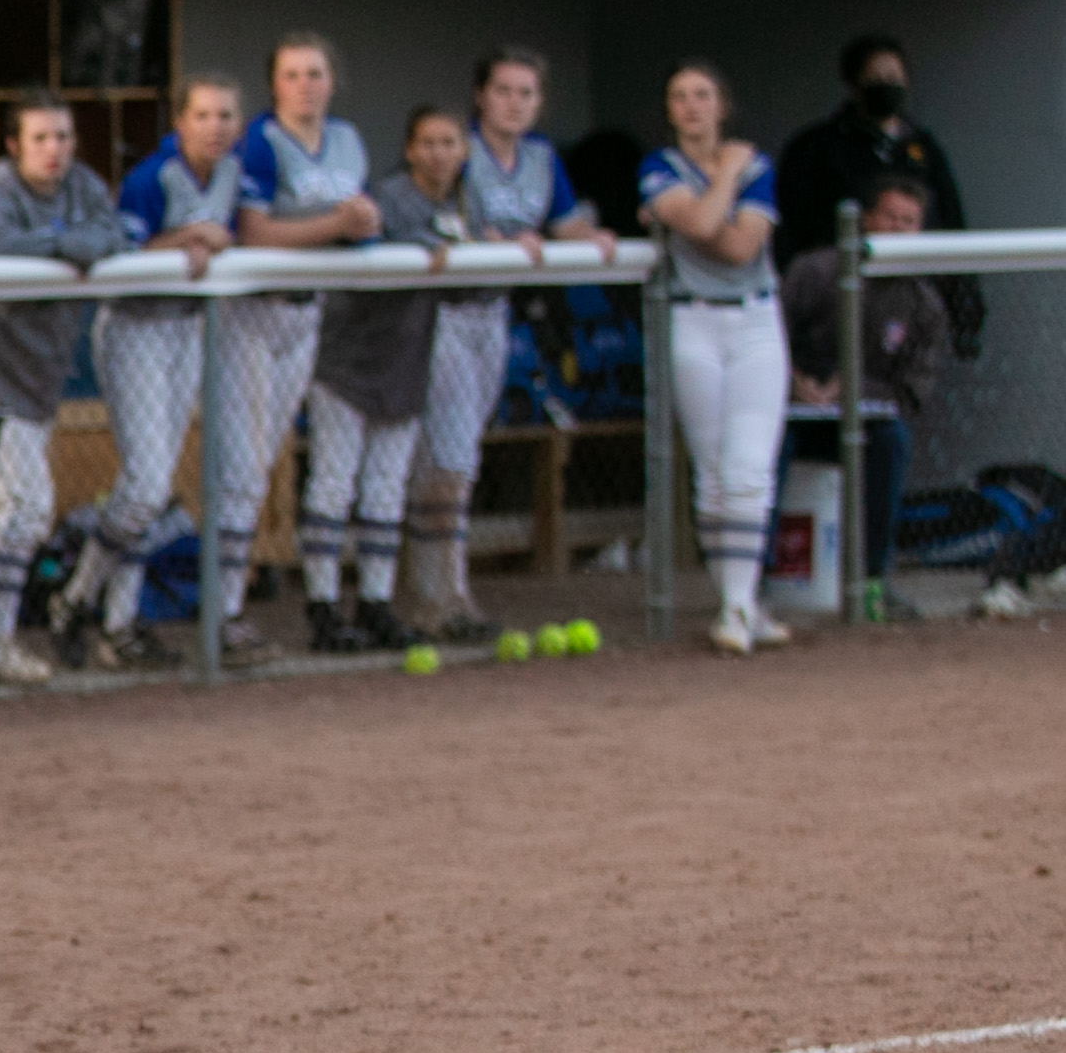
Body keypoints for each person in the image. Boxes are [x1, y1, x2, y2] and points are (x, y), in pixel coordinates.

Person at [405, 47, 614, 641]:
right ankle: (436, 595)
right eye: (503, 91)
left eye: (526, 93)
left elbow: (564, 222)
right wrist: (494, 239)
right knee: (443, 460)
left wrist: (590, 237)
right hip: (444, 313)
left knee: (462, 457)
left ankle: (444, 591)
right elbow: (437, 217)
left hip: (493, 314)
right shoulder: (457, 148)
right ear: (480, 96)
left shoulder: (542, 158)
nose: (514, 103)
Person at [0, 91, 133, 684]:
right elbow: (1, 250)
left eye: (64, 138)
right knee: (23, 507)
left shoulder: (84, 186)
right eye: (42, 139)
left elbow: (112, 235)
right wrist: (68, 244)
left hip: (40, 375)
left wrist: (66, 241)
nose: (55, 151)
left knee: (13, 512)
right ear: (15, 144)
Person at [46, 73, 239, 672]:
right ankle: (76, 597)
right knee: (148, 485)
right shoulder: (152, 177)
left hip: (185, 329)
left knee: (144, 485)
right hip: (134, 328)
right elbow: (120, 256)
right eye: (203, 115)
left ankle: (115, 621)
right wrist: (187, 238)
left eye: (226, 116)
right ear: (179, 122)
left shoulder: (231, 175)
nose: (215, 127)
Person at [219, 32, 383, 665]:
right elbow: (254, 231)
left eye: (315, 73)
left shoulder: (346, 140)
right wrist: (336, 226)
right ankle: (226, 614)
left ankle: (233, 610)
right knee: (244, 469)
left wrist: (359, 227)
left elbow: (351, 225)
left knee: (264, 464)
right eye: (292, 74)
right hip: (252, 314)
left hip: (308, 311)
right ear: (274, 84)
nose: (305, 85)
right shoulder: (259, 140)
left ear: (332, 81)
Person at [639, 60, 789, 657]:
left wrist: (709, 204)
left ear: (722, 105)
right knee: (713, 469)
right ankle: (736, 604)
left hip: (755, 318)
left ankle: (738, 604)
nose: (691, 107)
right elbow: (705, 222)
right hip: (691, 317)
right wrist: (725, 175)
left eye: (702, 95)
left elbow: (739, 245)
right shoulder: (660, 166)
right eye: (679, 96)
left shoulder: (760, 165)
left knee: (750, 466)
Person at [300, 109, 463, 654]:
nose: (439, 153)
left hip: (405, 361)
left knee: (385, 489)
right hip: (349, 360)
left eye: (449, 142)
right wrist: (422, 245)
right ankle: (322, 608)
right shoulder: (389, 198)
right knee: (333, 483)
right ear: (410, 150)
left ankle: (375, 603)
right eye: (428, 143)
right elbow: (367, 244)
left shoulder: (465, 204)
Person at [778, 177, 948, 619]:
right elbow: (766, 337)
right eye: (890, 217)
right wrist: (794, 381)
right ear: (868, 218)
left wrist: (852, 390)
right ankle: (752, 585)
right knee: (766, 443)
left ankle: (872, 580)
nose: (897, 229)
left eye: (908, 223)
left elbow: (913, 392)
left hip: (862, 423)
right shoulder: (813, 271)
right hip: (793, 413)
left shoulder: (923, 303)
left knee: (893, 441)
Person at [774, 33, 978, 356]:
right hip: (838, 291)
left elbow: (952, 220)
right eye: (876, 78)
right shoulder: (818, 148)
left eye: (895, 78)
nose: (887, 85)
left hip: (909, 289)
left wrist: (966, 306)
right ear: (853, 84)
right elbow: (792, 225)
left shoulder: (922, 149)